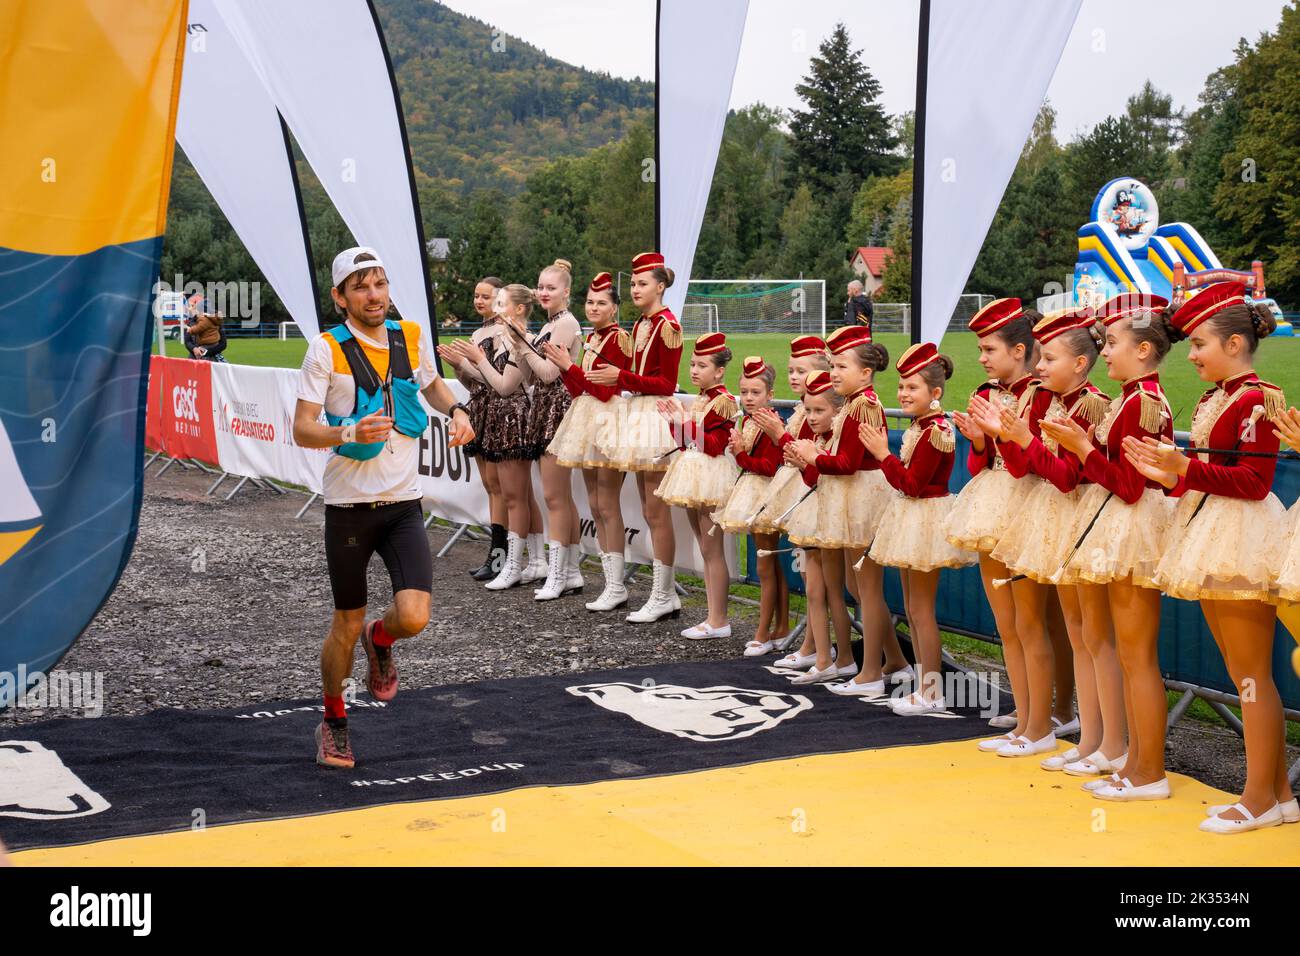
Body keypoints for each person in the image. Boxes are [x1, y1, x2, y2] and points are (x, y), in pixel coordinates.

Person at [293, 246, 473, 769]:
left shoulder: (409, 336)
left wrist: (458, 409)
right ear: (340, 297)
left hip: (403, 505)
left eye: (380, 284)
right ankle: (333, 722)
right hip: (349, 506)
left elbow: (432, 386)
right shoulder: (324, 351)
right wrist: (346, 430)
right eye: (361, 286)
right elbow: (302, 428)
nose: (374, 295)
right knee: (344, 625)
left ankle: (383, 637)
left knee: (414, 618)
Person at [1124, 282, 1296, 832]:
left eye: (1200, 343)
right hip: (1212, 528)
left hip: (1242, 535)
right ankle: (1278, 795)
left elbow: (1253, 481)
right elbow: (1204, 472)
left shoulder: (1258, 397)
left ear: (1235, 344)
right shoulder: (1214, 396)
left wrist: (1182, 471)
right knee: (1241, 671)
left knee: (1250, 676)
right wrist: (1168, 475)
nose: (1191, 354)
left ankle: (1259, 798)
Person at [1040, 293, 1176, 802]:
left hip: (1130, 523)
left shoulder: (1142, 401)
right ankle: (1127, 758)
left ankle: (1147, 770)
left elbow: (1129, 484)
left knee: (1137, 656)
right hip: (1116, 522)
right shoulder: (1131, 398)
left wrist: (1081, 447)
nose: (1107, 351)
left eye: (1113, 342)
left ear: (1143, 350)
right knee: (1123, 651)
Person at [993, 309, 1123, 775]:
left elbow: (1068, 478)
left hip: (1083, 517)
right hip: (1060, 518)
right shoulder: (1052, 400)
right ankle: (1089, 738)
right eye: (1041, 357)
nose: (1040, 366)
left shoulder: (1089, 405)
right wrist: (1007, 436)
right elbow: (1024, 466)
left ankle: (1108, 741)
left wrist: (1023, 437)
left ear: (1081, 364)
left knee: (1095, 636)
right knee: (1078, 631)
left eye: (1049, 357)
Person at [947, 298, 1059, 753]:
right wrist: (978, 440)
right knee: (1007, 622)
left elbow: (1028, 463)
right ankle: (1025, 713)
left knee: (1032, 622)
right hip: (990, 504)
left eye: (989, 348)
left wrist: (1001, 435)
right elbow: (981, 465)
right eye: (980, 349)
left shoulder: (1041, 393)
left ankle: (1043, 724)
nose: (982, 358)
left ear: (1019, 350)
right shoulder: (988, 392)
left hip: (1029, 505)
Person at [862, 343, 975, 712]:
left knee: (922, 609)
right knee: (911, 606)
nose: (903, 394)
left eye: (912, 388)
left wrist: (882, 455)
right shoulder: (921, 425)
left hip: (925, 517)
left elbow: (912, 484)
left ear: (935, 393)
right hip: (911, 516)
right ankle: (923, 683)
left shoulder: (937, 431)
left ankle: (933, 690)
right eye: (901, 387)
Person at [592, 251, 684, 624]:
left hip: (656, 414)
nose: (635, 288)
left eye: (643, 283)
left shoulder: (667, 325)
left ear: (660, 286)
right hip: (638, 410)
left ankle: (664, 594)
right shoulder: (642, 324)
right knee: (648, 509)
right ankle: (656, 594)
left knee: (656, 510)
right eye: (632, 283)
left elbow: (667, 383)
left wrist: (622, 378)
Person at [442, 284, 545, 590]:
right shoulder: (490, 335)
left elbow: (504, 384)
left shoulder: (513, 337)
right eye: (484, 298)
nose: (486, 303)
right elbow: (480, 381)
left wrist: (473, 360)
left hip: (511, 415)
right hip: (490, 411)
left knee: (514, 493)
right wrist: (461, 365)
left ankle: (511, 560)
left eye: (495, 299)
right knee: (499, 488)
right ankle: (516, 558)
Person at [544, 271, 632, 612]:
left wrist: (568, 365)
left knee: (607, 503)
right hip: (587, 419)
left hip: (608, 421)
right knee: (596, 503)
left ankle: (616, 585)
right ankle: (611, 583)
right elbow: (581, 388)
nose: (594, 308)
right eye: (590, 302)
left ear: (614, 308)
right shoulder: (594, 338)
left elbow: (605, 390)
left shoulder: (618, 339)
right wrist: (566, 369)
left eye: (601, 303)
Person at [751, 335, 830, 668]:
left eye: (802, 371)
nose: (794, 377)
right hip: (800, 488)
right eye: (792, 370)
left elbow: (805, 453)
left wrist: (778, 434)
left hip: (817, 493)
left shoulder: (818, 411)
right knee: (812, 577)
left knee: (818, 580)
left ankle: (815, 646)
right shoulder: (801, 410)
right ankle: (810, 645)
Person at [656, 332, 739, 639]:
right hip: (693, 473)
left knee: (712, 549)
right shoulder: (701, 399)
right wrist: (673, 421)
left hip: (711, 476)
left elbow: (715, 446)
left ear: (718, 371)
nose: (693, 370)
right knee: (705, 548)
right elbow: (684, 443)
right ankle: (712, 616)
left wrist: (684, 421)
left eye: (702, 365)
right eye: (692, 364)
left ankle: (719, 620)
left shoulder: (725, 402)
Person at [713, 357, 789, 656]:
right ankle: (779, 627)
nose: (747, 398)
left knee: (764, 566)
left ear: (770, 394)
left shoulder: (771, 422)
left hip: (766, 497)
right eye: (743, 392)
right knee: (770, 566)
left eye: (755, 393)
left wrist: (742, 455)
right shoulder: (748, 420)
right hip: (753, 494)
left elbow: (771, 466)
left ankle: (763, 633)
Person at [519, 259, 584, 601]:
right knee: (559, 497)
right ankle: (570, 572)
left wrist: (522, 344)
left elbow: (547, 374)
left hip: (558, 410)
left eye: (551, 287)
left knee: (555, 497)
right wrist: (524, 348)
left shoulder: (565, 324)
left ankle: (559, 574)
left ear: (566, 291)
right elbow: (531, 375)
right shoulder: (552, 324)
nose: (544, 292)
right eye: (541, 287)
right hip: (546, 408)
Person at [775, 371, 847, 684]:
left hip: (827, 518)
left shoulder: (835, 438)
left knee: (828, 591)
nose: (811, 417)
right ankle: (822, 655)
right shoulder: (818, 436)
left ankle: (835, 657)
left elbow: (827, 477)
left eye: (818, 411)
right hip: (810, 516)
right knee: (814, 589)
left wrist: (807, 460)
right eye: (808, 411)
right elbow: (812, 478)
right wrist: (803, 462)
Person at [440, 276, 507, 582]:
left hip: (499, 410)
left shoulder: (504, 331)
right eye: (476, 296)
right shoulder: (479, 332)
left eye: (486, 296)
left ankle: (502, 553)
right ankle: (496, 553)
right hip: (479, 408)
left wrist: (467, 364)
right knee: (490, 486)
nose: (479, 301)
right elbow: (473, 381)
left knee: (500, 486)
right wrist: (458, 366)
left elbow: (496, 378)